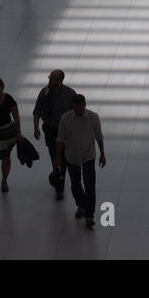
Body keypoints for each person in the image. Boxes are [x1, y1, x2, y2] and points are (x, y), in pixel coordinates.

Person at [55, 94, 106, 229]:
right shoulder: (65, 119)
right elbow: (60, 139)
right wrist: (58, 157)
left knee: (90, 186)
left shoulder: (93, 117)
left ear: (85, 105)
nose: (78, 111)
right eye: (76, 108)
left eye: (81, 108)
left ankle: (89, 215)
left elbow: (99, 137)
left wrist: (102, 154)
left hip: (88, 156)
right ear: (73, 106)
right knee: (75, 185)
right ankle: (82, 205)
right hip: (71, 156)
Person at [32, 70, 77, 201]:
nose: (50, 81)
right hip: (50, 130)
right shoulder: (44, 92)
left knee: (63, 159)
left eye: (53, 79)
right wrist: (36, 128)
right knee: (55, 157)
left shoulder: (70, 93)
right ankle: (59, 188)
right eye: (50, 78)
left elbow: (76, 113)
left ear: (61, 80)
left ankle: (56, 177)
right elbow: (37, 111)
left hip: (65, 131)